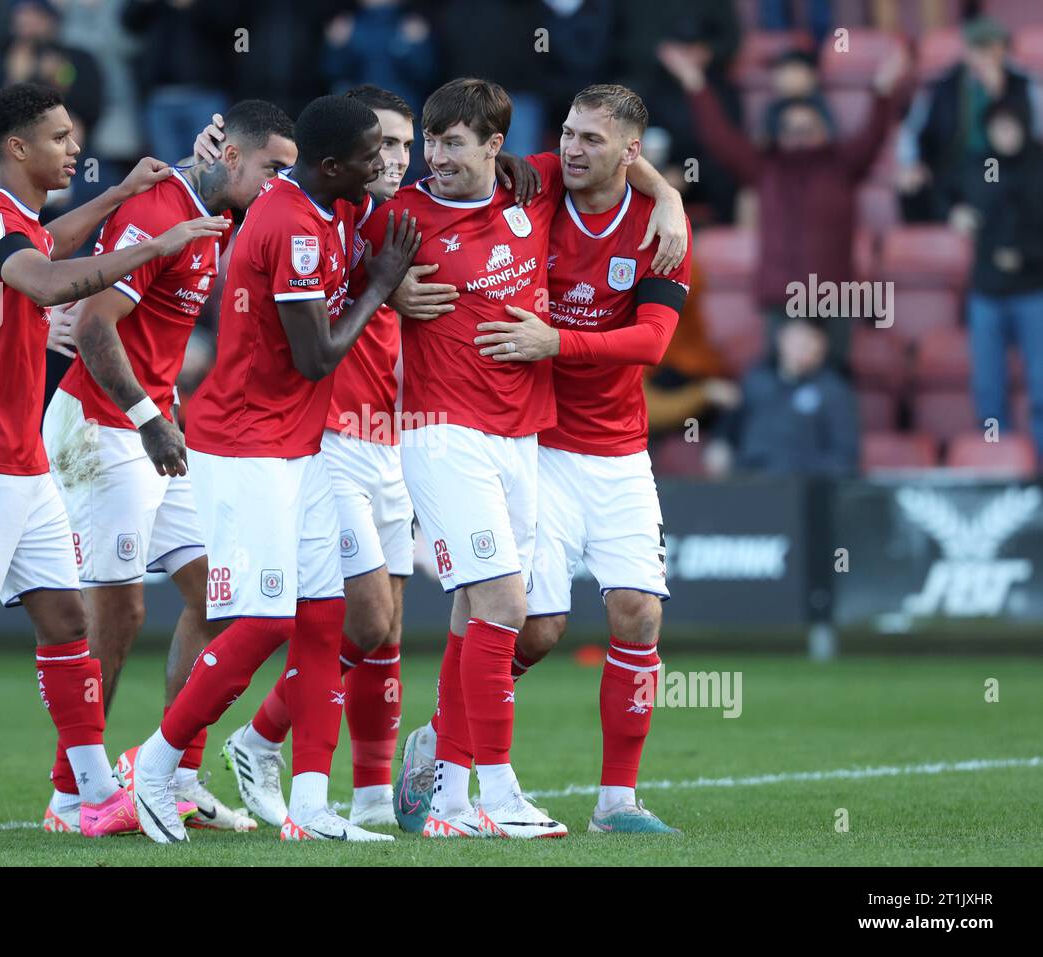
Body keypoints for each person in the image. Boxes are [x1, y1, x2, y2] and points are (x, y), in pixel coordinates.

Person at [0, 82, 223, 843]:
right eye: (61, 136)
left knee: (66, 619)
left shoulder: (13, 218)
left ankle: (91, 793)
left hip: (20, 455)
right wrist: (152, 244)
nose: (75, 147)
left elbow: (52, 242)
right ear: (19, 147)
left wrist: (121, 196)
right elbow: (49, 279)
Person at [190, 87, 553, 829]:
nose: (395, 159)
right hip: (328, 439)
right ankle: (240, 746)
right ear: (345, 159)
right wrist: (193, 162)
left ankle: (372, 792)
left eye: (400, 146)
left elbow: (581, 167)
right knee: (355, 616)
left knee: (384, 628)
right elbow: (251, 193)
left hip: (390, 434)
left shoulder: (386, 216)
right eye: (385, 146)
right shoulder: (359, 212)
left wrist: (665, 202)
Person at [387, 82, 691, 837]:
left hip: (618, 448)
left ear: (630, 151)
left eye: (592, 139)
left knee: (637, 612)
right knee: (536, 624)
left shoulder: (658, 228)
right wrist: (392, 290)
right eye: (568, 133)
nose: (572, 149)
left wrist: (671, 201)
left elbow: (653, 344)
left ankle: (616, 800)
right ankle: (447, 746)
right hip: (535, 437)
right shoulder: (538, 184)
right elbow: (435, 205)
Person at [127, 94, 420, 844]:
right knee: (261, 619)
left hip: (303, 444)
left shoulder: (329, 209)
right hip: (246, 445)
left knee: (324, 617)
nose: (381, 165)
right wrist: (382, 282)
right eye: (368, 156)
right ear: (332, 167)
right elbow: (316, 354)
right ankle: (157, 764)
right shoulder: (290, 224)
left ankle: (314, 804)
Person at [41, 99, 289, 834]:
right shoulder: (159, 212)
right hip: (102, 425)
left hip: (150, 422)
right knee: (118, 609)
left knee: (217, 591)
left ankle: (176, 774)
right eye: (273, 168)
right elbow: (92, 327)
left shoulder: (212, 214)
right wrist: (152, 419)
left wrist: (159, 413)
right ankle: (72, 794)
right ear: (233, 157)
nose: (281, 184)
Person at [659, 41, 908, 367]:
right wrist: (695, 83)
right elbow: (719, 137)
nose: (800, 135)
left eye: (808, 127)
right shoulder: (765, 167)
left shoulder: (843, 165)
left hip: (834, 297)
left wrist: (883, 87)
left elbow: (874, 132)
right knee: (783, 381)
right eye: (791, 129)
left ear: (824, 130)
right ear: (778, 134)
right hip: (782, 298)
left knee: (834, 380)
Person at [951, 99, 1043, 460]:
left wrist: (1025, 256)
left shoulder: (1039, 166)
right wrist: (953, 211)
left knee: (1041, 386)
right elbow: (941, 194)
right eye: (998, 128)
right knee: (989, 388)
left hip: (1034, 289)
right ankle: (996, 463)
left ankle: (1039, 471)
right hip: (987, 291)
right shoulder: (978, 165)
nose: (1005, 135)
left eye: (1011, 127)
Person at [898, 16, 1036, 223]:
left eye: (992, 48)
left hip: (1001, 166)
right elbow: (913, 131)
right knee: (913, 186)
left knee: (995, 178)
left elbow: (1031, 135)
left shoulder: (1023, 84)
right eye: (979, 48)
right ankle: (947, 226)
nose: (986, 56)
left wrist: (999, 96)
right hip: (953, 167)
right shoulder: (942, 86)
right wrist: (913, 162)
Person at [710, 317, 858, 477]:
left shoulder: (834, 390)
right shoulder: (756, 378)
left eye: (812, 337)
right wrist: (720, 443)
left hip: (801, 487)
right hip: (749, 480)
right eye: (798, 336)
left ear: (823, 345)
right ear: (782, 337)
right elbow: (730, 425)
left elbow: (844, 458)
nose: (803, 345)